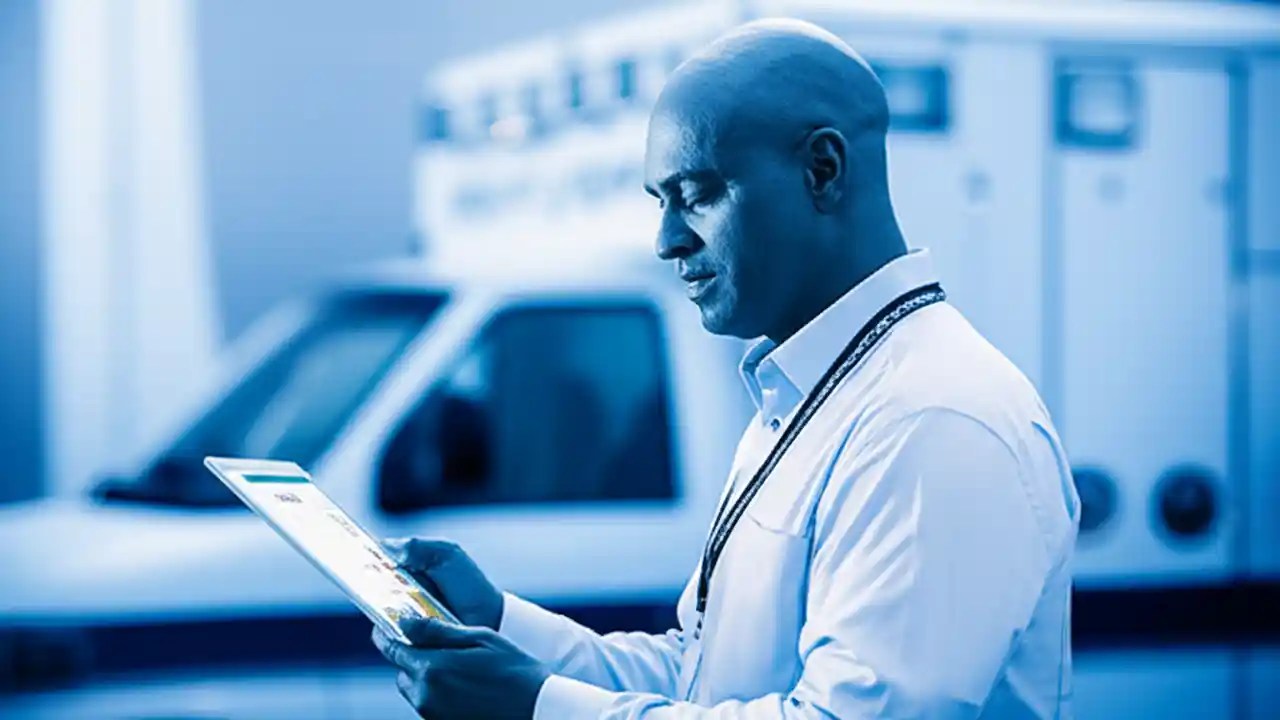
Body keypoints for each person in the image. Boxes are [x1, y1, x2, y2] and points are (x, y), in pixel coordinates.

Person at [371, 18, 1080, 720]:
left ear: (822, 171)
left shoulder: (933, 418)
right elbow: (702, 677)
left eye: (698, 194)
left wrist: (537, 710)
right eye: (661, 203)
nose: (667, 240)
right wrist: (499, 623)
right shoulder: (810, 395)